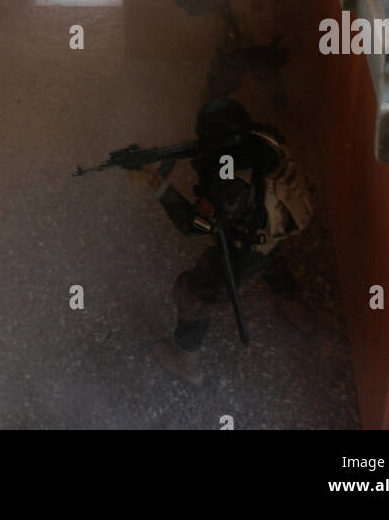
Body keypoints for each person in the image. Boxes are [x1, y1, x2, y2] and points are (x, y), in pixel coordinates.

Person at [131, 98, 313, 385]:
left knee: (191, 294)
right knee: (273, 260)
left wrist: (155, 182)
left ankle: (185, 362)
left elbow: (193, 226)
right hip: (277, 225)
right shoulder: (266, 137)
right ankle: (299, 312)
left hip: (248, 246)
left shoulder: (231, 187)